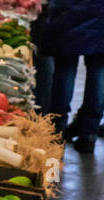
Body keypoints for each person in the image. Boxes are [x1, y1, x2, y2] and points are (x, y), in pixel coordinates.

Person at [40, 0, 104, 151]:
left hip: (68, 12)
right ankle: (89, 134)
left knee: (64, 71)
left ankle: (56, 131)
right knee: (98, 72)